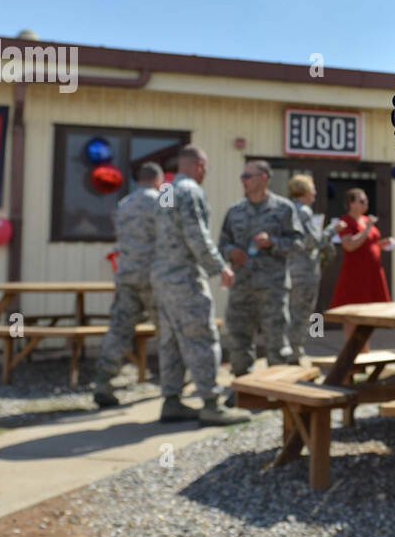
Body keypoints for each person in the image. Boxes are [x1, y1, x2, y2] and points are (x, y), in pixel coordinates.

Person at [151, 144, 248, 426]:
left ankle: (171, 401)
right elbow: (197, 235)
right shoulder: (190, 190)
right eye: (204, 166)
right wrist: (220, 267)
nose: (205, 172)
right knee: (201, 338)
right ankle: (210, 404)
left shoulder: (166, 190)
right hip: (184, 278)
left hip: (162, 277)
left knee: (170, 340)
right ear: (197, 165)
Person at [218, 158, 303, 376]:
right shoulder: (235, 211)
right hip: (241, 287)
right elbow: (222, 243)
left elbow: (298, 243)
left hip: (272, 288)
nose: (243, 180)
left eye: (247, 176)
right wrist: (230, 252)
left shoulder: (283, 209)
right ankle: (243, 391)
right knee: (239, 341)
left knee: (276, 343)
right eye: (242, 176)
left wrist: (272, 242)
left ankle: (278, 394)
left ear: (263, 178)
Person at [92, 161, 163, 407]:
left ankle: (104, 381)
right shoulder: (161, 201)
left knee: (119, 329)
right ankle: (171, 381)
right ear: (158, 180)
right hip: (154, 277)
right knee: (167, 329)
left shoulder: (124, 204)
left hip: (126, 275)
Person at [328, 187, 393, 354]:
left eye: (366, 200)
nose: (366, 203)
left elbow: (368, 244)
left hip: (371, 273)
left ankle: (364, 351)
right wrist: (367, 228)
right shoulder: (346, 221)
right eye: (362, 201)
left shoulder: (365, 219)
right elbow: (349, 245)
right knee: (351, 313)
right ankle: (352, 353)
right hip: (355, 274)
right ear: (351, 203)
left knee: (367, 313)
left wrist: (381, 244)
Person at [284, 174, 334, 362]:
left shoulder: (289, 209)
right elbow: (313, 241)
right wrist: (331, 231)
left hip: (293, 270)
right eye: (312, 188)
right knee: (302, 312)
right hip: (304, 272)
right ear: (304, 191)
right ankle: (294, 352)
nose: (315, 192)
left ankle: (291, 348)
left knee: (293, 311)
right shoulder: (303, 211)